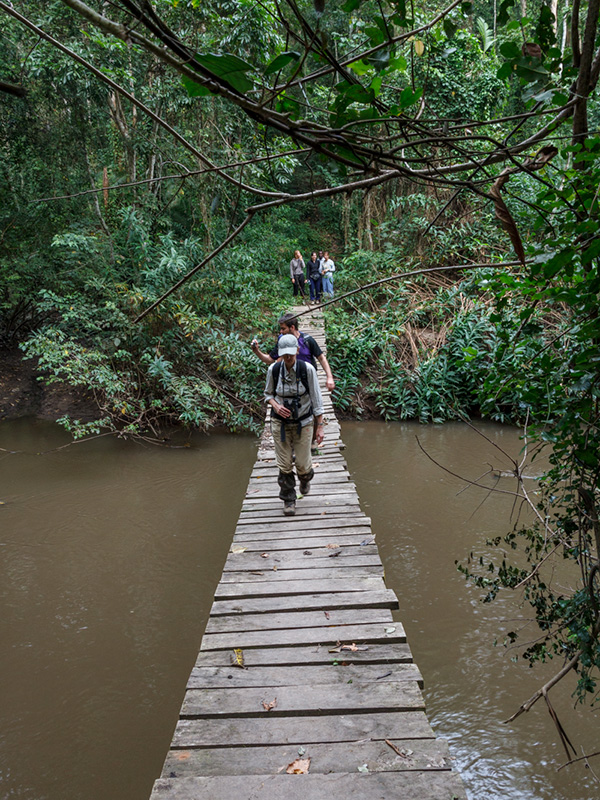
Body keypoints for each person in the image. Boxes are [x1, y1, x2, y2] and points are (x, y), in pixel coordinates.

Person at [265, 334, 325, 516]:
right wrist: (276, 405)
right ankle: (289, 499)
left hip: (304, 423)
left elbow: (317, 399)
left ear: (297, 351)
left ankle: (305, 478)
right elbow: (268, 395)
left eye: (291, 354)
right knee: (284, 465)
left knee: (303, 464)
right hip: (279, 423)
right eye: (285, 355)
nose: (288, 358)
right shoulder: (274, 370)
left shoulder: (307, 370)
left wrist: (320, 426)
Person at [251, 312, 335, 393]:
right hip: (290, 380)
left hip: (308, 378)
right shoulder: (282, 340)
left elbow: (321, 358)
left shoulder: (307, 340)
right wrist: (256, 351)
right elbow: (270, 359)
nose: (281, 331)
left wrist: (329, 377)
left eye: (283, 329)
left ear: (292, 327)